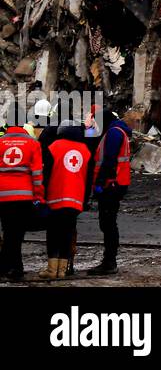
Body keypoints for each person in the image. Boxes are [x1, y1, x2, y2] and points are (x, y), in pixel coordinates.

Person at [39, 124, 89, 281]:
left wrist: (42, 196)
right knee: (67, 233)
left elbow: (45, 173)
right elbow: (88, 179)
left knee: (53, 232)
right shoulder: (85, 150)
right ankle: (62, 270)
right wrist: (85, 200)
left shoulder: (54, 146)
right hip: (75, 200)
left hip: (56, 197)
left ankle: (51, 269)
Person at [86, 109, 131, 276]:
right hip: (117, 183)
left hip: (111, 185)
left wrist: (99, 183)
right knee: (108, 223)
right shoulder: (118, 131)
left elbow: (109, 160)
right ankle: (109, 261)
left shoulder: (113, 133)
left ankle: (109, 262)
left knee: (108, 223)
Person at [0, 120, 44, 281]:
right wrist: (38, 195)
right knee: (16, 234)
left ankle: (5, 266)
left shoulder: (0, 142)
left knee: (8, 231)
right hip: (23, 196)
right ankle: (16, 269)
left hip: (2, 195)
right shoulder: (32, 144)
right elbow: (37, 173)